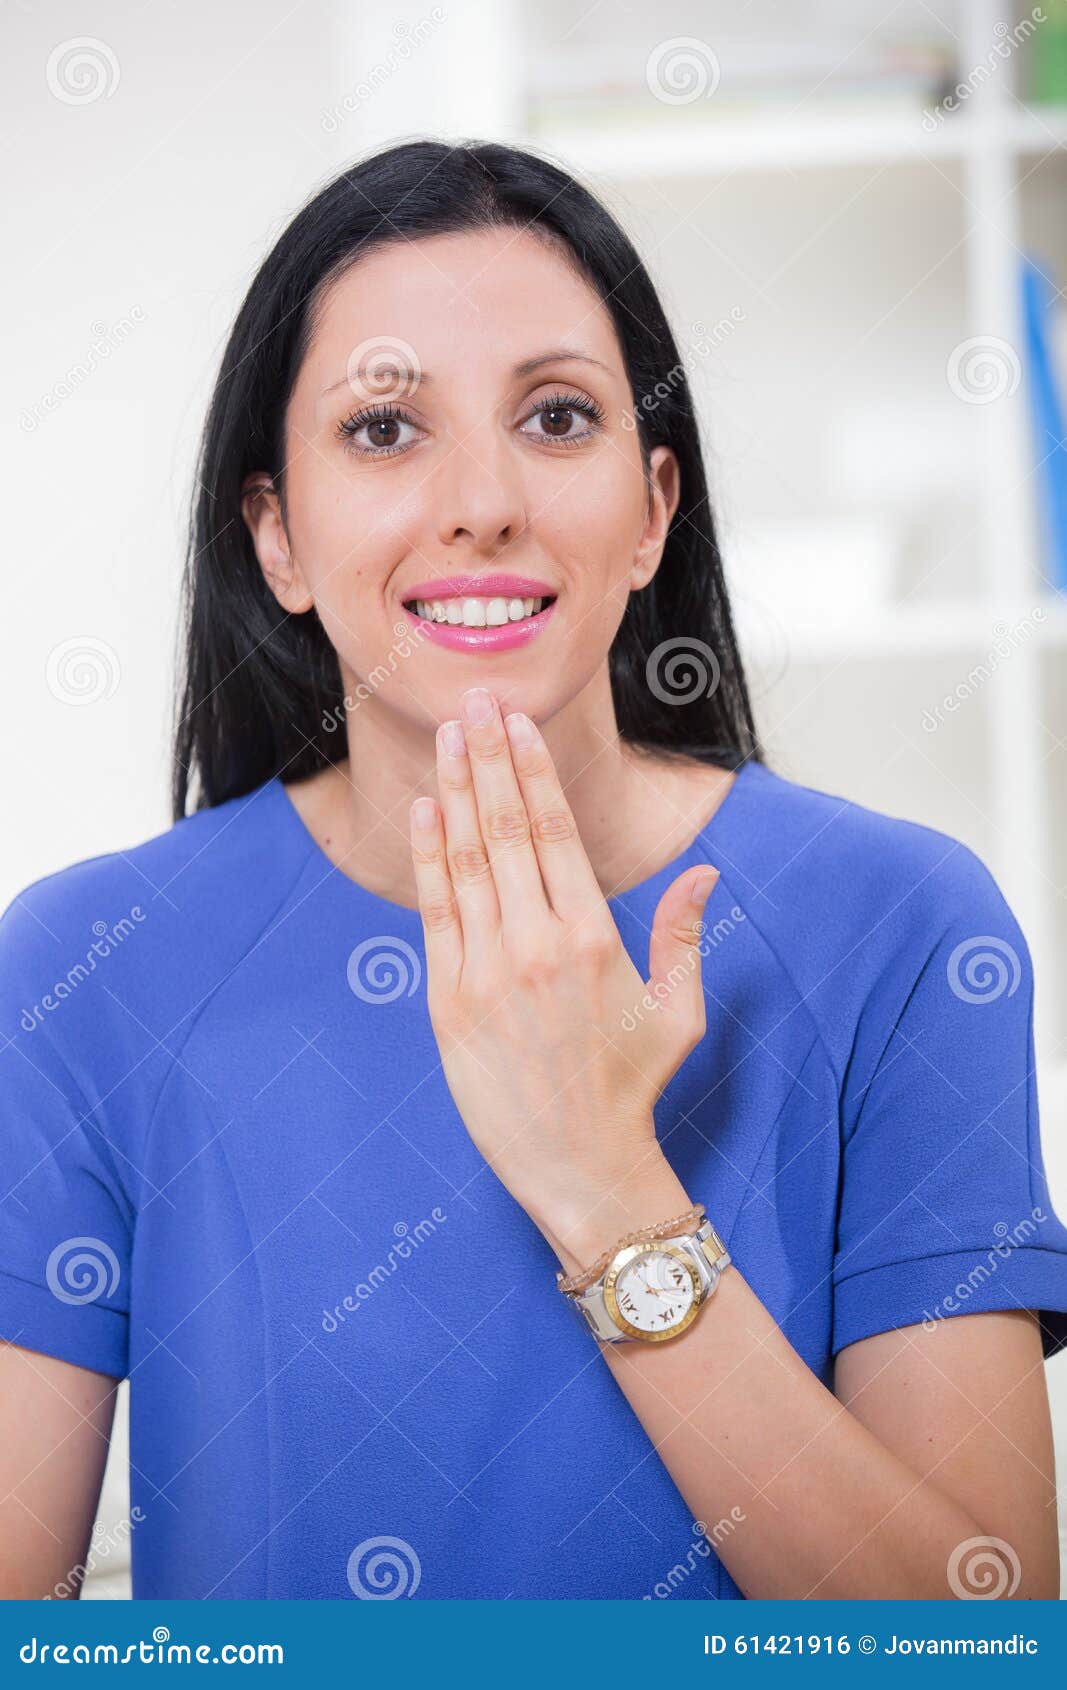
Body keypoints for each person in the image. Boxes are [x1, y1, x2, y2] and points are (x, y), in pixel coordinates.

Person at [2, 139, 1065, 1602]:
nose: (484, 500)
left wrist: (608, 1188)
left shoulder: (904, 927)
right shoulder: (89, 963)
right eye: (386, 431)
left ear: (652, 507)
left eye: (558, 416)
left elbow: (978, 1635)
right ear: (276, 537)